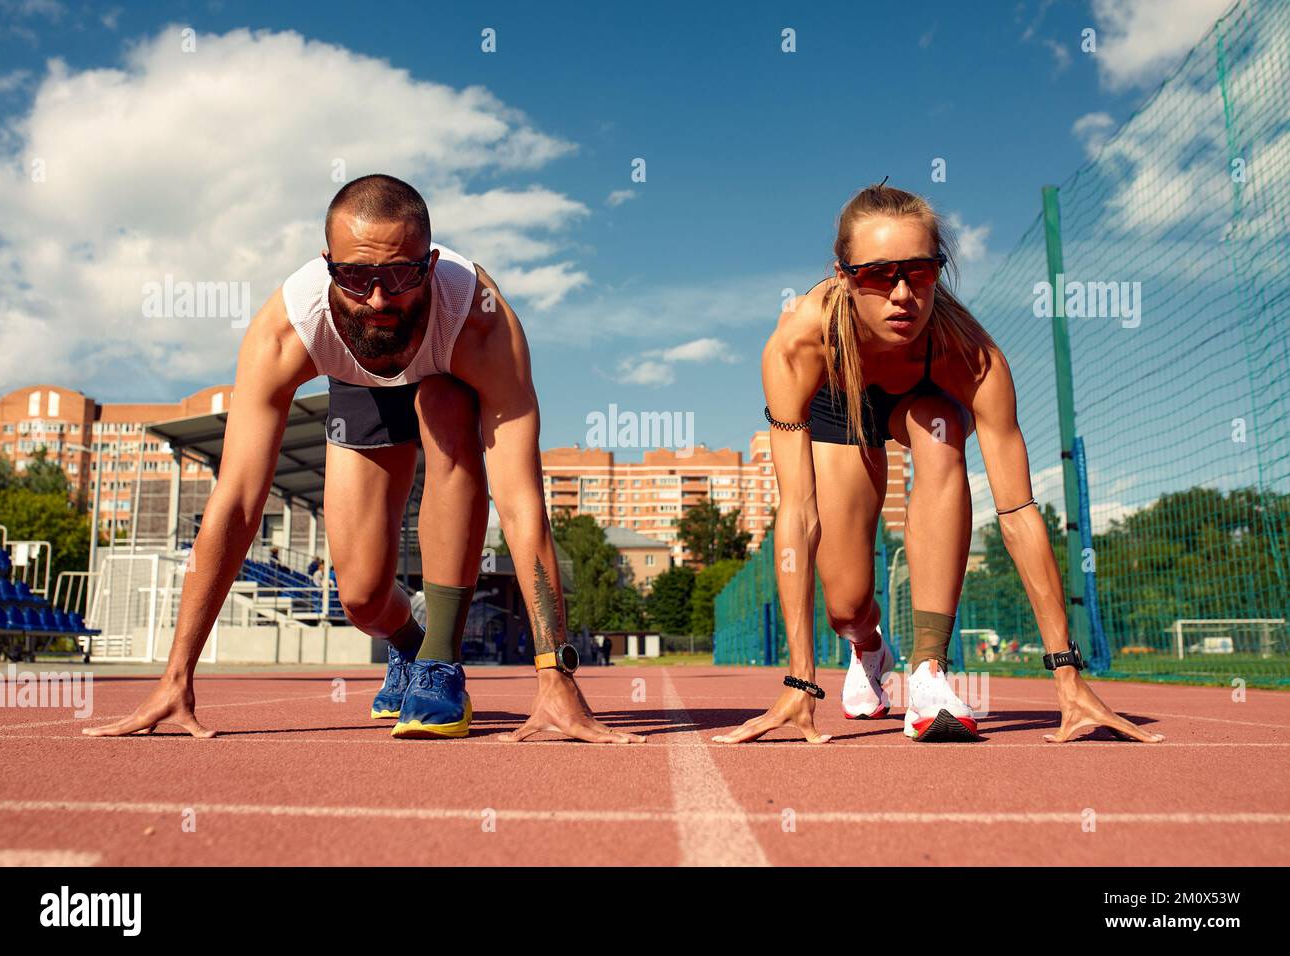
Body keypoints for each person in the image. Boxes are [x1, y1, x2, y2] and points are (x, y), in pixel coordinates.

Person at [85, 174, 641, 745]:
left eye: (400, 275)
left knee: (445, 406)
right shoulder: (288, 330)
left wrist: (557, 675)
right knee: (362, 597)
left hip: (446, 377)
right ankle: (409, 647)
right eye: (355, 277)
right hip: (361, 382)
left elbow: (522, 505)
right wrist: (176, 676)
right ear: (328, 263)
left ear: (427, 263)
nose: (378, 299)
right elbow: (236, 503)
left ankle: (440, 663)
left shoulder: (480, 320)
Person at [714, 180, 1163, 745]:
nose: (902, 293)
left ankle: (929, 672)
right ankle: (869, 648)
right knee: (847, 604)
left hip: (922, 400)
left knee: (940, 428)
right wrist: (800, 681)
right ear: (843, 273)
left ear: (937, 272)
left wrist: (1067, 675)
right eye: (879, 274)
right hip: (839, 402)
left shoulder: (971, 356)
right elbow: (799, 514)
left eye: (920, 272)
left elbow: (1019, 510)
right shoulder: (800, 344)